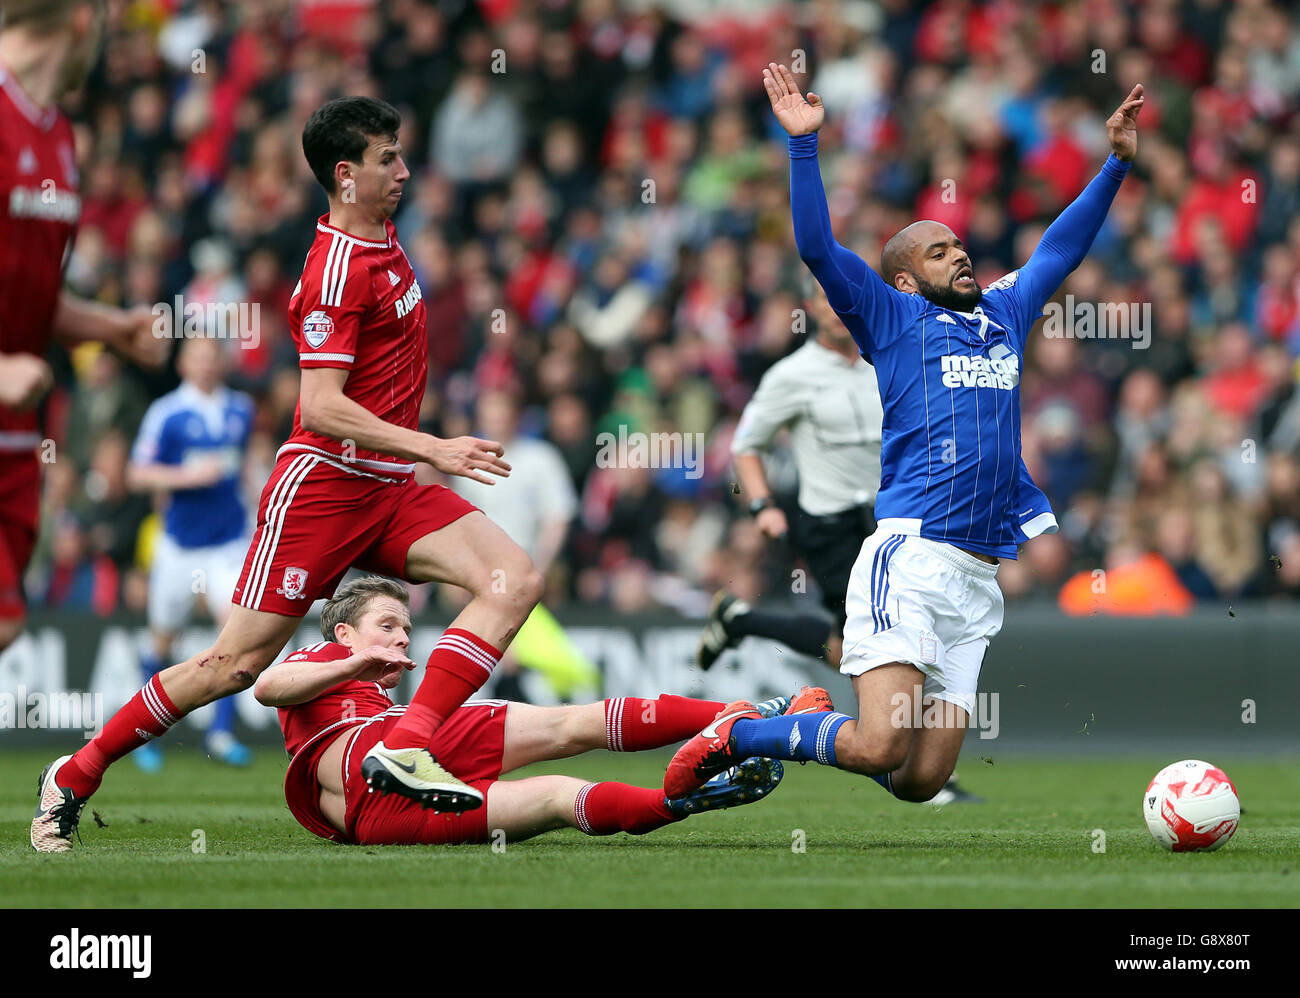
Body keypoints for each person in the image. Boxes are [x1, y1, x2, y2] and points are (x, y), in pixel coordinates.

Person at [33, 96, 543, 852]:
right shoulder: (335, 272)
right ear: (345, 176)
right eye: (386, 159)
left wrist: (410, 455)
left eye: (401, 153)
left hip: (385, 489)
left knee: (514, 580)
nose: (403, 170)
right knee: (231, 666)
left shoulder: (383, 235)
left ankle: (407, 745)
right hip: (326, 490)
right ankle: (72, 775)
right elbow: (320, 405)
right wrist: (430, 446)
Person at [665, 65, 1142, 804]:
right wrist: (803, 148)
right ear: (907, 281)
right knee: (879, 741)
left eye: (959, 244)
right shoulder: (893, 322)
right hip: (911, 556)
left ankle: (795, 723)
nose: (960, 254)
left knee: (919, 780)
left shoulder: (1004, 314)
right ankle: (736, 733)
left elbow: (1059, 251)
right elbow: (820, 250)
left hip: (977, 580)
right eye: (939, 251)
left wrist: (1113, 163)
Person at [700, 282, 982, 806]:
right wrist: (762, 507)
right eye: (826, 301)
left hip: (895, 517)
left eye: (845, 301)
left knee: (855, 641)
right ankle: (887, 751)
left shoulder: (888, 358)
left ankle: (743, 623)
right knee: (868, 638)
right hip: (830, 525)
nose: (837, 310)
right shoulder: (791, 375)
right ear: (809, 309)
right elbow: (746, 447)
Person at [255, 576, 795, 846]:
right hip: (385, 755)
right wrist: (353, 663)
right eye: (387, 626)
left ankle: (679, 801)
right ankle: (742, 715)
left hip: (372, 821)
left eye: (405, 629)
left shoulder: (368, 693)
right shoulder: (326, 654)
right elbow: (267, 686)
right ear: (345, 631)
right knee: (568, 725)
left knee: (562, 796)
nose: (400, 639)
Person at [0, 0, 164, 657]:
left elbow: (32, 294)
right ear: (77, 22)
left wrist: (112, 328)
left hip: (14, 427)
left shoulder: (59, 139)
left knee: (8, 620)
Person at [127, 338, 256, 770]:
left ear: (220, 362)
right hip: (179, 543)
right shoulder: (166, 412)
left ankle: (220, 733)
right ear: (184, 363)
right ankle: (148, 734)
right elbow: (138, 473)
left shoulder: (241, 408)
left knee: (234, 634)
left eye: (211, 357)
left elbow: (251, 464)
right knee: (163, 637)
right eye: (197, 357)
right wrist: (187, 476)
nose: (204, 365)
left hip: (228, 542)